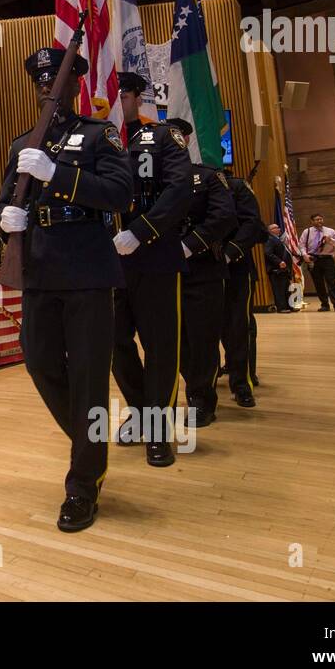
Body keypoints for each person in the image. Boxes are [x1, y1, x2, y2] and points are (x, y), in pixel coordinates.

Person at [0, 47, 132, 533]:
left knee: (90, 376)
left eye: (57, 82)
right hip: (40, 269)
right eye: (41, 84)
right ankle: (90, 444)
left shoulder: (99, 135)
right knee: (39, 361)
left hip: (89, 268)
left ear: (74, 86)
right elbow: (3, 200)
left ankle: (83, 482)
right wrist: (1, 219)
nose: (48, 90)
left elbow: (120, 194)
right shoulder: (22, 144)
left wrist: (59, 174)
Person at [109, 72, 191, 467]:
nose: (114, 100)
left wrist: (141, 231)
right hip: (106, 263)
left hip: (154, 255)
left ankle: (160, 430)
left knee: (159, 345)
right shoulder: (97, 140)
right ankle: (141, 412)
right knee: (114, 342)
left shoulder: (162, 137)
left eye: (120, 94)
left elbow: (179, 190)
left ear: (136, 97)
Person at [165, 118, 236, 427]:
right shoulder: (158, 181)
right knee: (176, 340)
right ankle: (192, 386)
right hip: (165, 272)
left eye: (179, 137)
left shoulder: (207, 177)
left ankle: (202, 398)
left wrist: (190, 245)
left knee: (202, 337)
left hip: (201, 269)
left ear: (188, 140)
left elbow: (224, 216)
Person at [219, 169, 267, 407]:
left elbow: (253, 225)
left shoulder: (236, 186)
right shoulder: (183, 182)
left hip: (235, 267)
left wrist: (231, 252)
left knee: (238, 328)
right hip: (200, 268)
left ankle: (241, 383)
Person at [298, 213, 335, 312]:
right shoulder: (307, 232)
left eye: (321, 219)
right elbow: (301, 245)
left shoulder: (330, 231)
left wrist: (330, 240)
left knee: (331, 282)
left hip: (327, 259)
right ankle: (324, 304)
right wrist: (305, 255)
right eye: (317, 219)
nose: (319, 221)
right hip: (313, 259)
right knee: (318, 283)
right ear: (312, 221)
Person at [263, 224, 296, 313]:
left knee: (286, 289)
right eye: (276, 228)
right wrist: (279, 262)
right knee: (279, 289)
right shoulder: (270, 239)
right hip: (276, 270)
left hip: (284, 269)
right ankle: (281, 307)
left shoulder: (278, 239)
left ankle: (289, 306)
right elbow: (268, 253)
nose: (279, 229)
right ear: (270, 230)